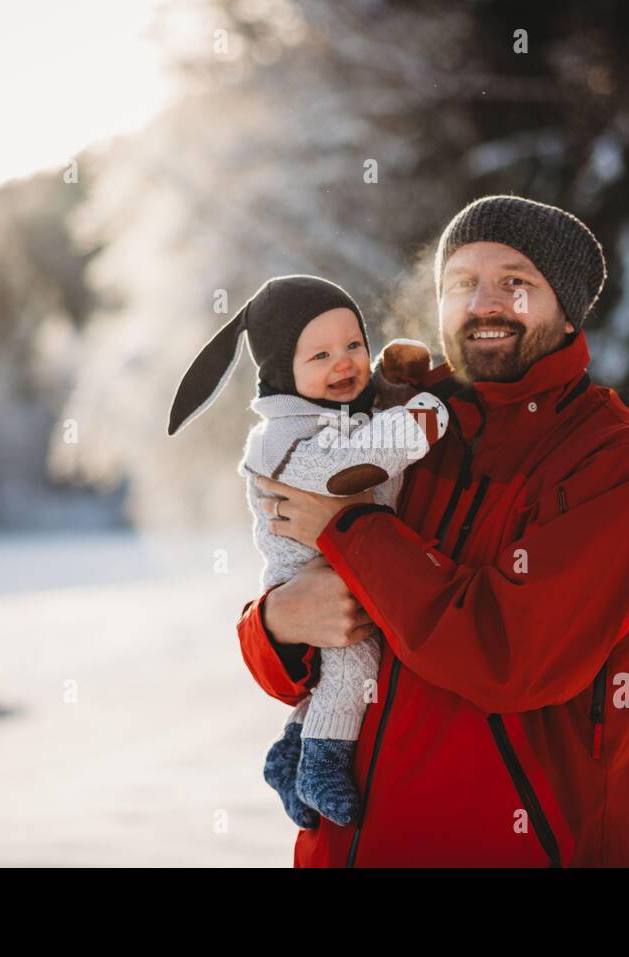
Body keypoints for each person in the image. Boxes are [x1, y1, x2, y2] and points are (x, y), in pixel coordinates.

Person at [240, 194, 629, 867]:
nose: (485, 303)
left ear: (566, 307)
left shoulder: (623, 466)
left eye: (516, 282)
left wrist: (353, 528)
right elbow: (290, 640)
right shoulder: (404, 425)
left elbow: (509, 659)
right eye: (462, 283)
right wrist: (277, 624)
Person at [166, 274, 448, 830]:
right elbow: (344, 471)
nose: (343, 363)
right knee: (355, 659)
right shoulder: (278, 436)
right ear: (279, 371)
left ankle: (291, 752)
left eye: (353, 346)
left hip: (347, 563)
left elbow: (369, 426)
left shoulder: (337, 412)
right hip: (313, 576)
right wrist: (421, 422)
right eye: (319, 354)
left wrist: (404, 384)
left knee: (335, 672)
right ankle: (323, 761)